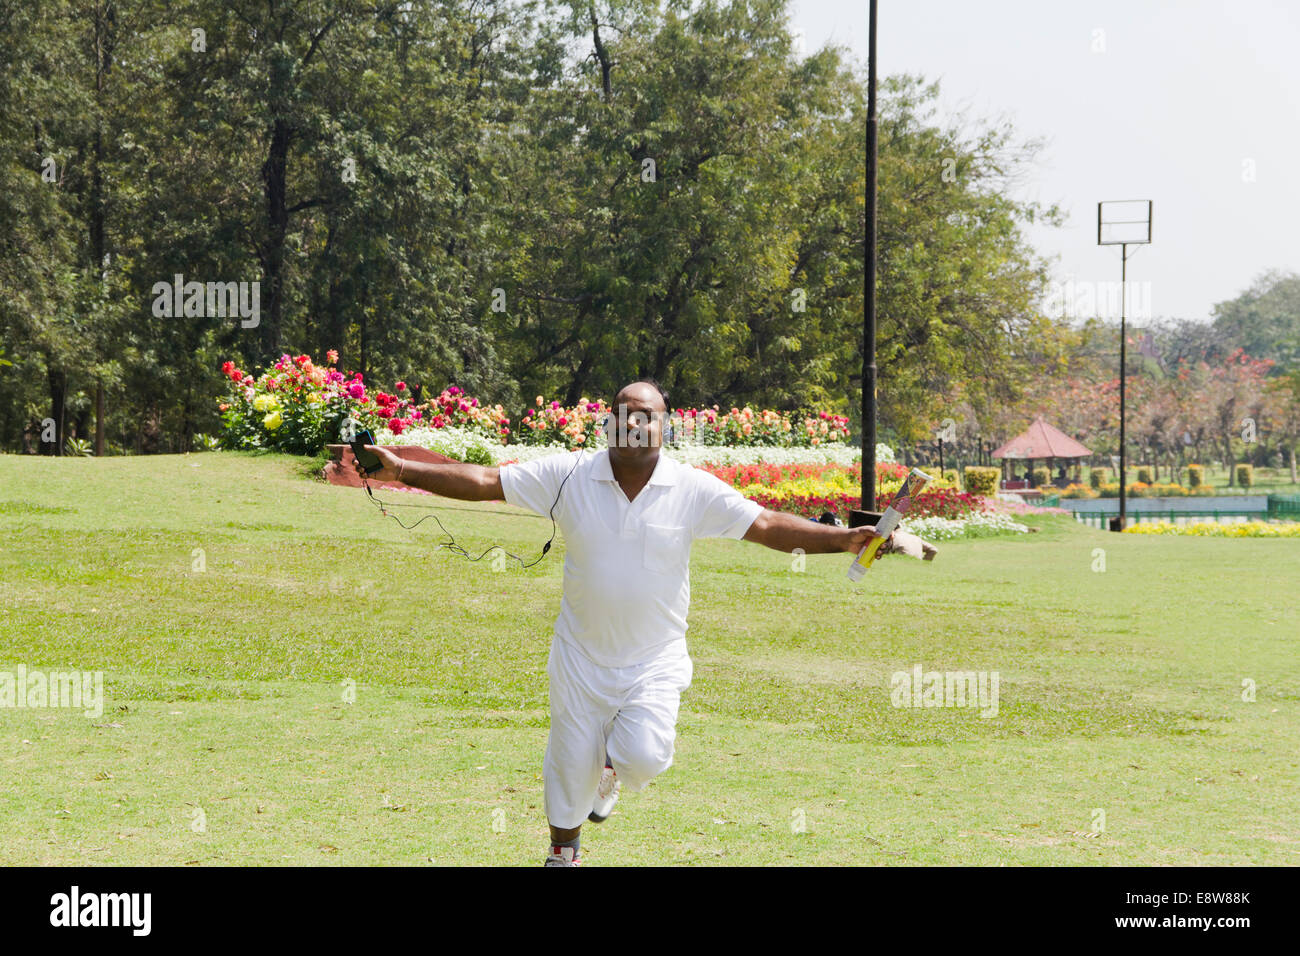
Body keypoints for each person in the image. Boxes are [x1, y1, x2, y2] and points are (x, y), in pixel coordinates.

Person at [353, 379, 894, 866]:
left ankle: (614, 765)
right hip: (580, 655)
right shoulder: (568, 475)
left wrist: (843, 540)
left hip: (653, 659)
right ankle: (563, 852)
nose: (633, 421)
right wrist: (401, 469)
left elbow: (768, 523)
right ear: (609, 422)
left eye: (646, 414)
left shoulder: (691, 488)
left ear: (666, 426)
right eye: (623, 412)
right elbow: (487, 480)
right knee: (568, 762)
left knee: (644, 757)